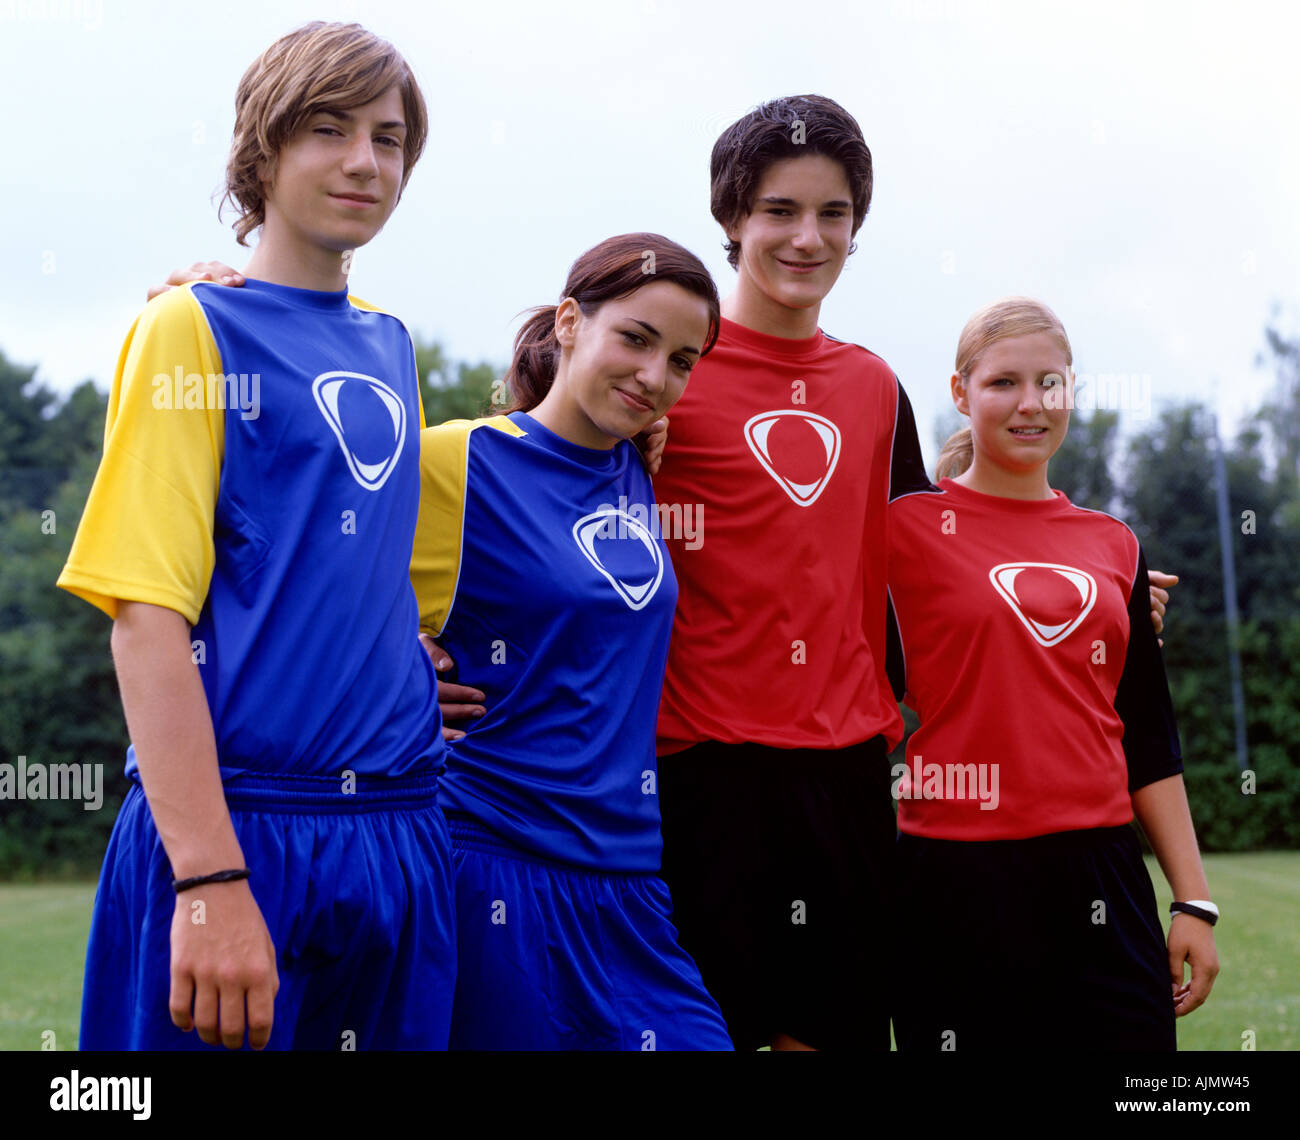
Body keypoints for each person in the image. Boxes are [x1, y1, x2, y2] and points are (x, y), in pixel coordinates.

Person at [57, 21, 457, 1050]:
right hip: (243, 834)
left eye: (391, 137)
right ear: (263, 149)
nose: (366, 162)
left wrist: (401, 664)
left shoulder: (390, 342)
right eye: (329, 129)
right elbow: (145, 620)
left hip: (399, 831)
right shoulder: (189, 326)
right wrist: (209, 876)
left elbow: (338, 569)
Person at [410, 232, 732, 1050]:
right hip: (487, 859)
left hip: (628, 877)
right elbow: (299, 569)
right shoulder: (458, 460)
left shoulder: (637, 465)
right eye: (635, 338)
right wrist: (391, 671)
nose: (655, 376)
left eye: (683, 360)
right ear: (568, 322)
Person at [887, 296, 1219, 1050]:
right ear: (961, 393)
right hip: (953, 881)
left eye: (1051, 383)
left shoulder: (1115, 546)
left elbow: (1149, 739)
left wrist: (1193, 903)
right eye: (1003, 383)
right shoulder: (902, 528)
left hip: (1102, 875)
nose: (1030, 404)